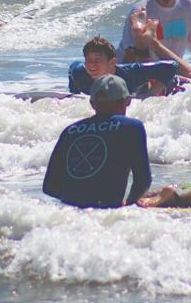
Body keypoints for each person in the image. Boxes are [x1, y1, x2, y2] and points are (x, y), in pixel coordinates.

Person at [42, 75, 152, 209]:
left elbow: (49, 187)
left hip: (68, 215)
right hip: (106, 214)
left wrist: (79, 204)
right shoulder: (131, 127)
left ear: (92, 103)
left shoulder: (70, 131)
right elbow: (143, 181)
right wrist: (128, 205)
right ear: (127, 101)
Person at [67, 24, 191, 97]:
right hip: (144, 84)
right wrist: (74, 96)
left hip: (174, 85)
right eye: (88, 60)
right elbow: (72, 69)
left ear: (112, 62)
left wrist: (151, 95)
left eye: (97, 59)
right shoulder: (80, 73)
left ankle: (147, 37)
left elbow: (171, 66)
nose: (91, 65)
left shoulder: (129, 74)